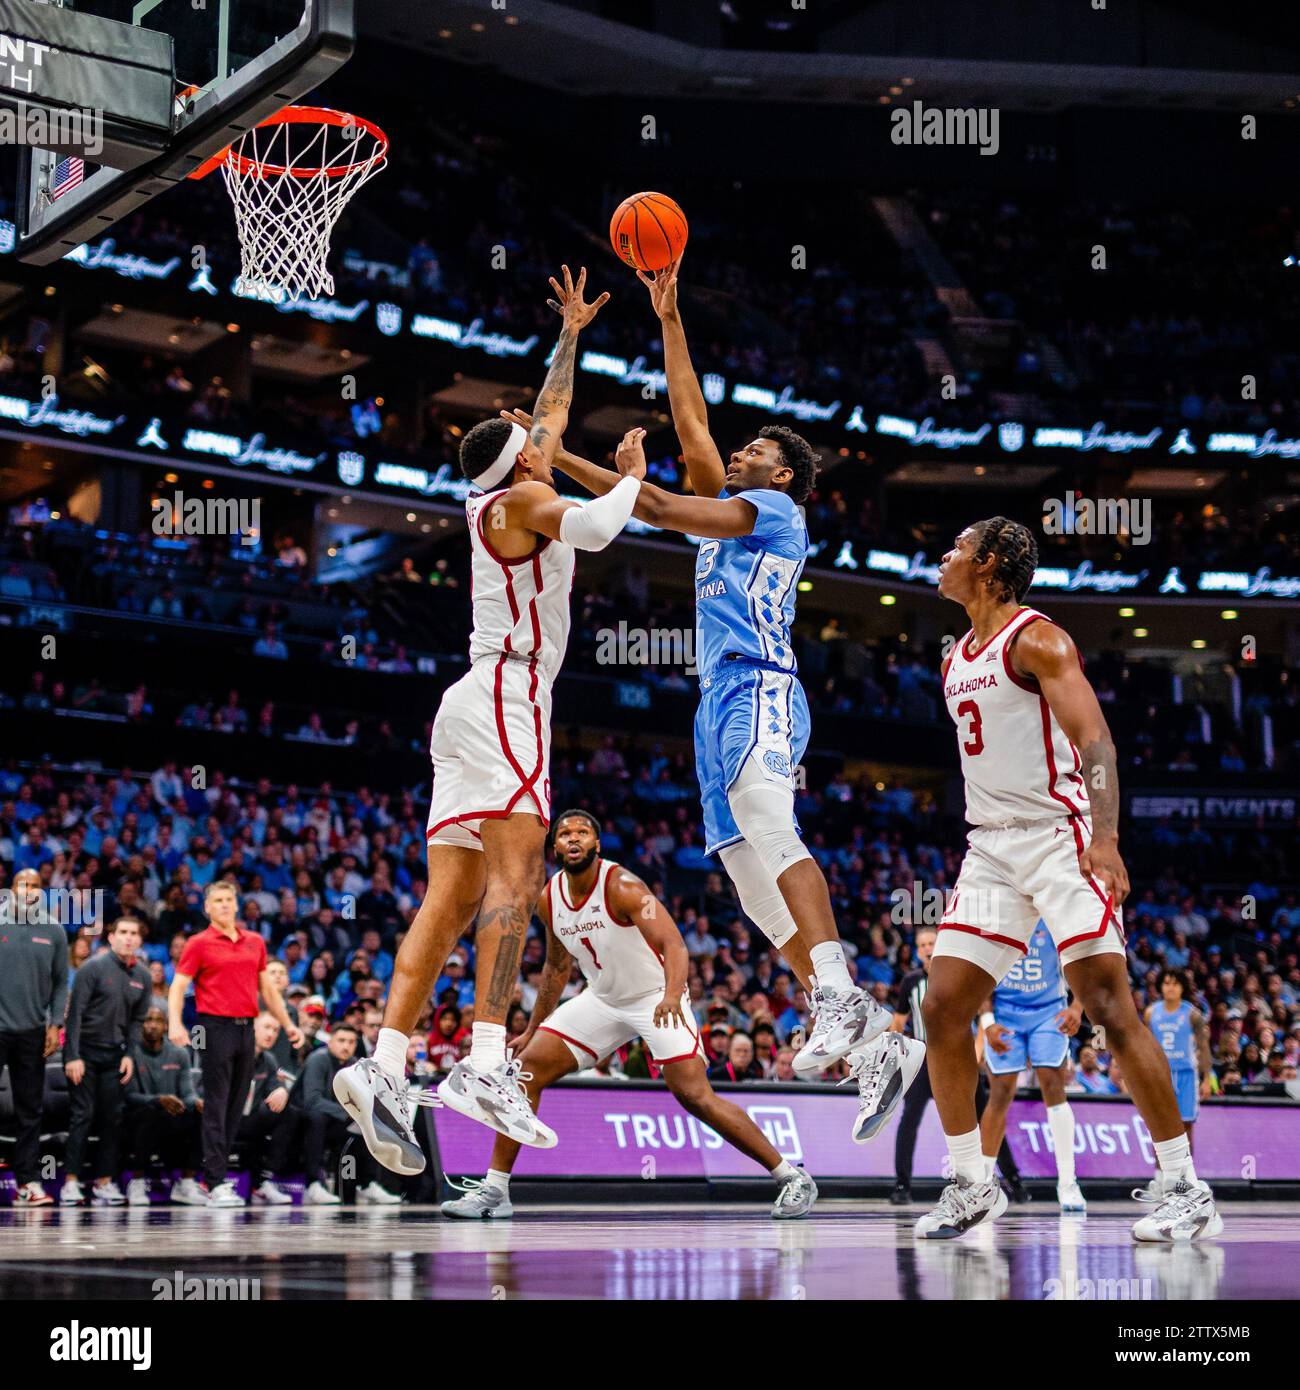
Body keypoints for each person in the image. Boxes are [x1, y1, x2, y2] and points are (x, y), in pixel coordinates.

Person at [501, 259, 917, 1131]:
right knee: (745, 876)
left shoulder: (777, 515)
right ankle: (877, 1042)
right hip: (714, 703)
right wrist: (669, 315)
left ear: (783, 477)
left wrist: (574, 464)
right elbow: (690, 421)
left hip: (761, 683)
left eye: (754, 453)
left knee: (770, 823)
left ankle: (839, 991)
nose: (737, 455)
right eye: (741, 450)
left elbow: (651, 504)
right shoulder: (730, 501)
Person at [336, 266, 645, 1166]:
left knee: (453, 897)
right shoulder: (526, 500)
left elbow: (548, 413)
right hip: (511, 696)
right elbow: (598, 529)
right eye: (533, 445)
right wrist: (631, 478)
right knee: (516, 880)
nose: (544, 443)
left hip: (468, 699)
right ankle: (482, 1061)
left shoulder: (503, 487)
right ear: (522, 465)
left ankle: (386, 1063)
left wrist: (571, 334)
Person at [918, 517, 1220, 1241]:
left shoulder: (1039, 640)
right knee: (942, 1006)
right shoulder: (956, 654)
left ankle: (1185, 1187)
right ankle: (971, 1182)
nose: (944, 556)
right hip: (991, 848)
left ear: (989, 563)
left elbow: (1096, 742)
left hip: (1061, 837)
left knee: (1108, 1004)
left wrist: (1105, 838)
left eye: (958, 547)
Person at [442, 810, 817, 1220]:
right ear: (555, 847)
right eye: (564, 834)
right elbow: (556, 967)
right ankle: (495, 1191)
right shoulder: (549, 898)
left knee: (694, 1096)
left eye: (582, 832)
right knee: (525, 1071)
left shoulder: (624, 887)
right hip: (602, 999)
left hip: (654, 997)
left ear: (597, 844)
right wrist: (534, 1028)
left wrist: (672, 996)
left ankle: (791, 1176)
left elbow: (674, 945)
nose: (573, 838)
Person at [168, 881, 302, 1208]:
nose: (225, 905)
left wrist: (288, 1025)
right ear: (207, 908)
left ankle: (212, 1179)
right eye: (218, 900)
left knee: (235, 1107)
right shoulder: (198, 943)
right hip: (215, 1027)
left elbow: (267, 990)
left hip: (246, 1028)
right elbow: (178, 986)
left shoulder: (254, 941)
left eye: (229, 899)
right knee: (216, 1105)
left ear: (237, 905)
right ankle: (214, 1182)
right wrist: (174, 1023)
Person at [887, 925, 1021, 1205]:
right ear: (917, 951)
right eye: (922, 945)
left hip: (960, 1058)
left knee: (985, 1115)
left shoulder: (960, 975)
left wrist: (977, 1052)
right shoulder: (911, 981)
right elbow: (898, 1022)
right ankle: (901, 1185)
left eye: (931, 943)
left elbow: (982, 1015)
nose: (927, 948)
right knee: (909, 1119)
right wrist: (898, 1055)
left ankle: (1013, 1179)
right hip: (924, 1060)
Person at [978, 920, 1087, 1212]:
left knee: (1053, 1085)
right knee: (1000, 1093)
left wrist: (1077, 1007)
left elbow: (1082, 963)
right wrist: (987, 1022)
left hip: (1049, 1010)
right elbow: (982, 976)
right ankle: (982, 1185)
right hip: (1005, 1012)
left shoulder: (1055, 918)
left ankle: (1068, 1182)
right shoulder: (998, 918)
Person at [61, 916, 151, 1205]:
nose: (128, 937)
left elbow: (137, 1021)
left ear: (140, 940)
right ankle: (70, 1182)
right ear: (111, 937)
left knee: (112, 1118)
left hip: (116, 1054)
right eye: (122, 932)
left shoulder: (143, 976)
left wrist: (129, 1055)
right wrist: (72, 1056)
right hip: (84, 1053)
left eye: (133, 933)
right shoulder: (93, 967)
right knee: (83, 1115)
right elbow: (74, 1014)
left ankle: (104, 1181)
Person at [0, 867, 68, 1205]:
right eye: (22, 884)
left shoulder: (54, 930)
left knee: (30, 1109)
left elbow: (61, 983)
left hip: (32, 1032)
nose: (29, 890)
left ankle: (27, 1183)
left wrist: (55, 1024)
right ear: (11, 889)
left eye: (35, 886)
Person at [293, 1024, 400, 1206]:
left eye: (351, 1042)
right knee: (318, 1118)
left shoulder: (355, 1064)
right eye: (341, 1041)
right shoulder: (318, 1059)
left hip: (334, 1120)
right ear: (330, 1042)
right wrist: (350, 1113)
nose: (346, 1046)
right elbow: (312, 1100)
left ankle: (367, 1184)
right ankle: (313, 1184)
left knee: (370, 1124)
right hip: (301, 1121)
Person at [122, 1007, 205, 1205]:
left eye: (158, 1021)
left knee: (203, 1115)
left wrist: (197, 1102)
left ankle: (186, 1183)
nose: (152, 1025)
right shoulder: (130, 1054)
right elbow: (130, 1096)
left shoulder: (179, 1053)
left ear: (166, 1026)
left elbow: (187, 1093)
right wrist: (159, 1100)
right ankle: (137, 1182)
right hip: (138, 1117)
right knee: (149, 1113)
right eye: (147, 1020)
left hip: (170, 1117)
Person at [233, 1013, 300, 1205]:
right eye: (267, 1028)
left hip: (250, 1118)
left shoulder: (268, 1059)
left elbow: (274, 1089)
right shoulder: (234, 1055)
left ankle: (264, 1181)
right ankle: (212, 1183)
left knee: (290, 1112)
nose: (271, 1034)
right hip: (226, 1120)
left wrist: (282, 1090)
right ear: (252, 1028)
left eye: (276, 1030)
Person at [1145, 968, 1213, 1154]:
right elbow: (1146, 1047)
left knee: (1186, 1125)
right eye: (1167, 983)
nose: (1170, 988)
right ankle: (1159, 1171)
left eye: (1175, 984)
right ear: (1160, 986)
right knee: (1159, 1126)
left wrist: (1207, 1079)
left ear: (1183, 987)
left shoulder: (1192, 1014)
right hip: (1160, 1075)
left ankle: (1186, 1170)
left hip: (1186, 1075)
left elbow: (1204, 1047)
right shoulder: (1151, 1013)